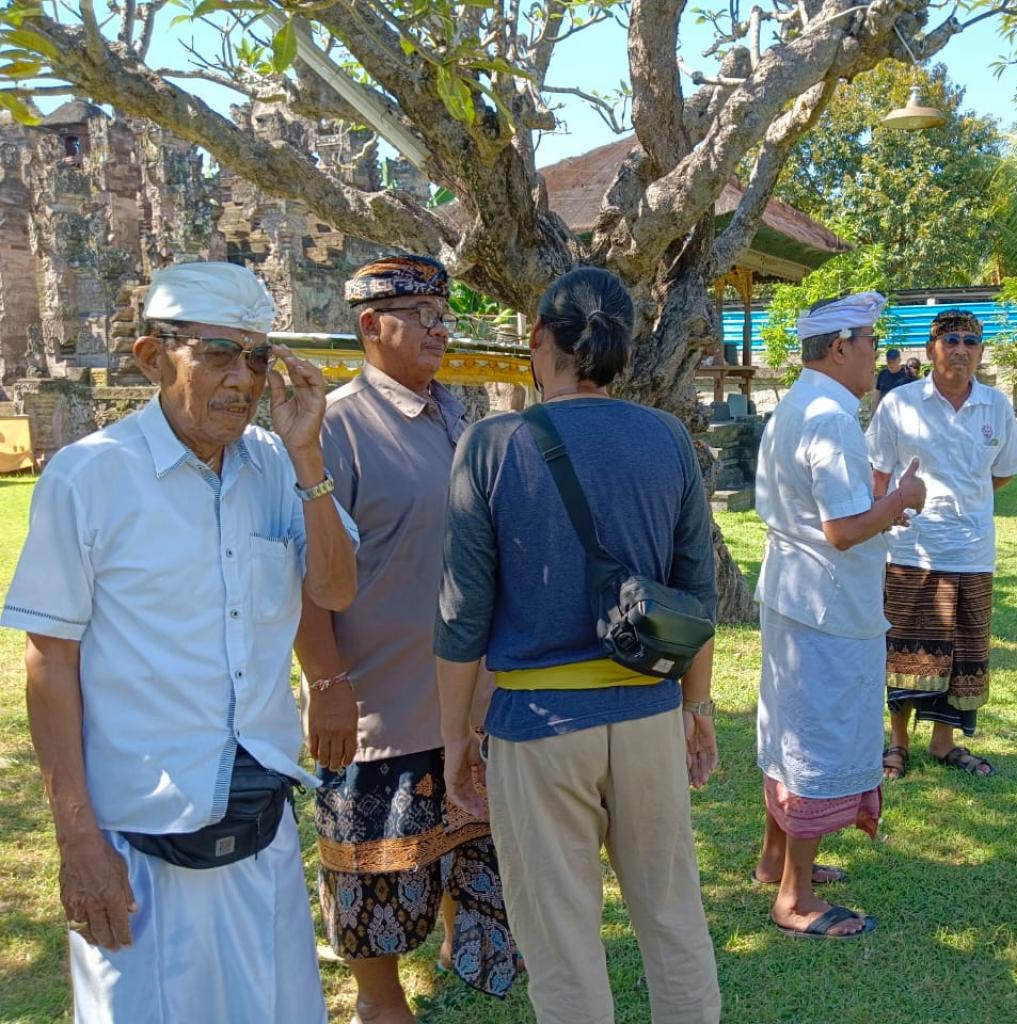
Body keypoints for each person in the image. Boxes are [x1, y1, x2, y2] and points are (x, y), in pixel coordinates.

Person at [1, 262, 358, 1023]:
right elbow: (50, 663)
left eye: (257, 358)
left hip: (257, 822)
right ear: (152, 357)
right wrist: (78, 841)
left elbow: (334, 589)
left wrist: (307, 458)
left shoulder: (276, 465)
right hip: (135, 840)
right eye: (219, 354)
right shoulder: (88, 478)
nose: (244, 379)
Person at [434, 267, 722, 1024]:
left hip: (538, 727)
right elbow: (695, 593)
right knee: (674, 920)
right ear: (623, 346)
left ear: (538, 337)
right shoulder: (667, 438)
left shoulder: (490, 444)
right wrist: (697, 708)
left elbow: (463, 616)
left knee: (562, 945)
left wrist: (454, 738)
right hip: (649, 715)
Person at [293, 255, 517, 1024]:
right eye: (419, 313)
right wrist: (326, 683)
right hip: (379, 699)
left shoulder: (457, 416)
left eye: (441, 313)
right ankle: (379, 999)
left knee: (473, 834)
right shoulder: (336, 427)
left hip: (472, 694)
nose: (438, 327)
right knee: (374, 865)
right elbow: (305, 569)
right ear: (370, 325)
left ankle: (466, 946)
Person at [752, 292, 927, 939]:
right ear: (839, 348)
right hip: (827, 607)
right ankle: (795, 898)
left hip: (794, 595)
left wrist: (879, 504)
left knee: (790, 732)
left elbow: (831, 511)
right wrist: (902, 497)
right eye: (871, 343)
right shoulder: (831, 418)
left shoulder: (797, 404)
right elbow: (842, 530)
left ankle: (775, 861)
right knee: (816, 741)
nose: (876, 356)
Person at [869, 309, 1017, 781]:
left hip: (972, 551)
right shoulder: (899, 404)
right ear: (931, 348)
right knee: (905, 649)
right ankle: (898, 742)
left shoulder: (995, 406)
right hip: (911, 548)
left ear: (981, 351)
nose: (961, 349)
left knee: (962, 653)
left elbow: (1003, 472)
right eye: (950, 340)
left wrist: (966, 500)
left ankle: (943, 742)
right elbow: (878, 473)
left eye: (970, 341)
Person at [871, 346, 914, 413]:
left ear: (899, 360)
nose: (891, 364)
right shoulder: (882, 374)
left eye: (893, 362)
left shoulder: (908, 375)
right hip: (884, 412)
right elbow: (876, 397)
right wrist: (873, 415)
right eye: (889, 362)